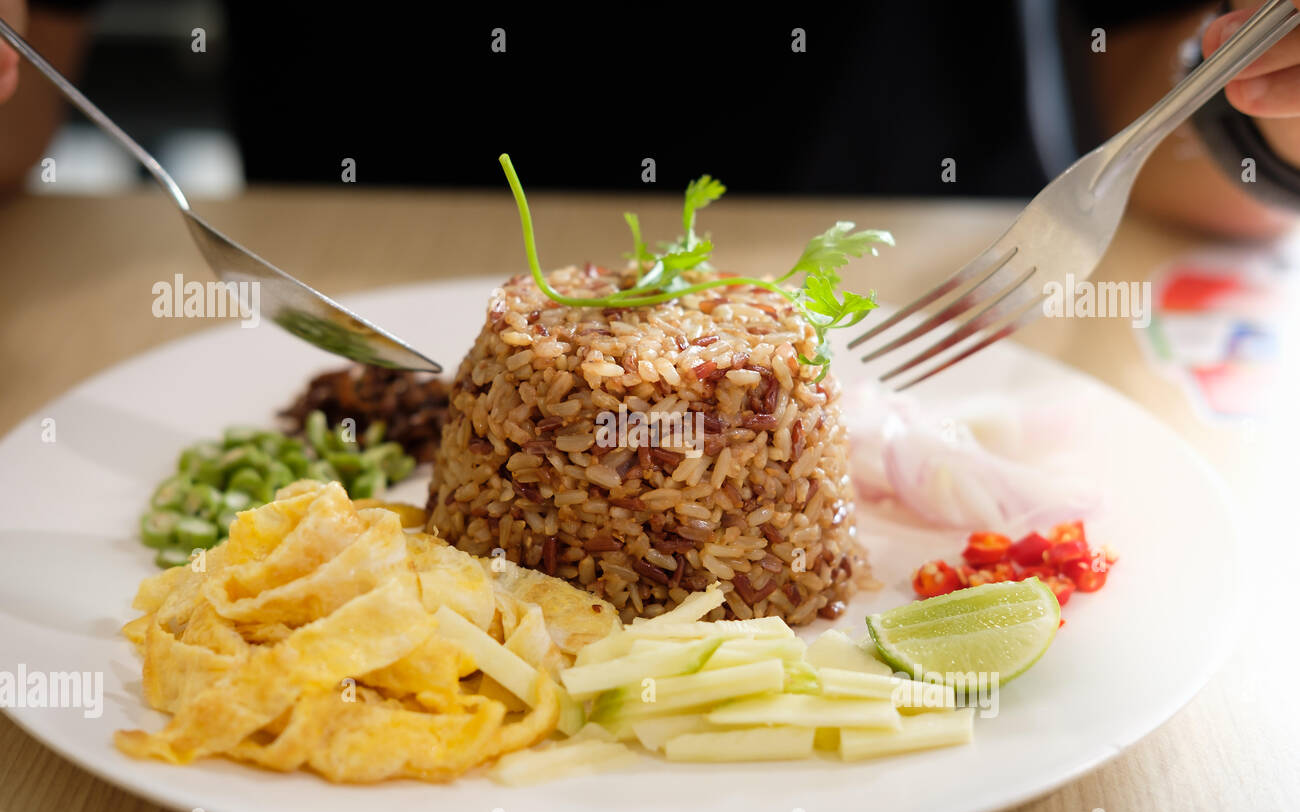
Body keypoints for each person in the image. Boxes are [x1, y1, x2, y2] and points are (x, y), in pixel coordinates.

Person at [2, 0, 1300, 239]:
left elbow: (1159, 90)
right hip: (369, 312)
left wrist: (1263, 108)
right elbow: (24, 94)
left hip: (941, 304)